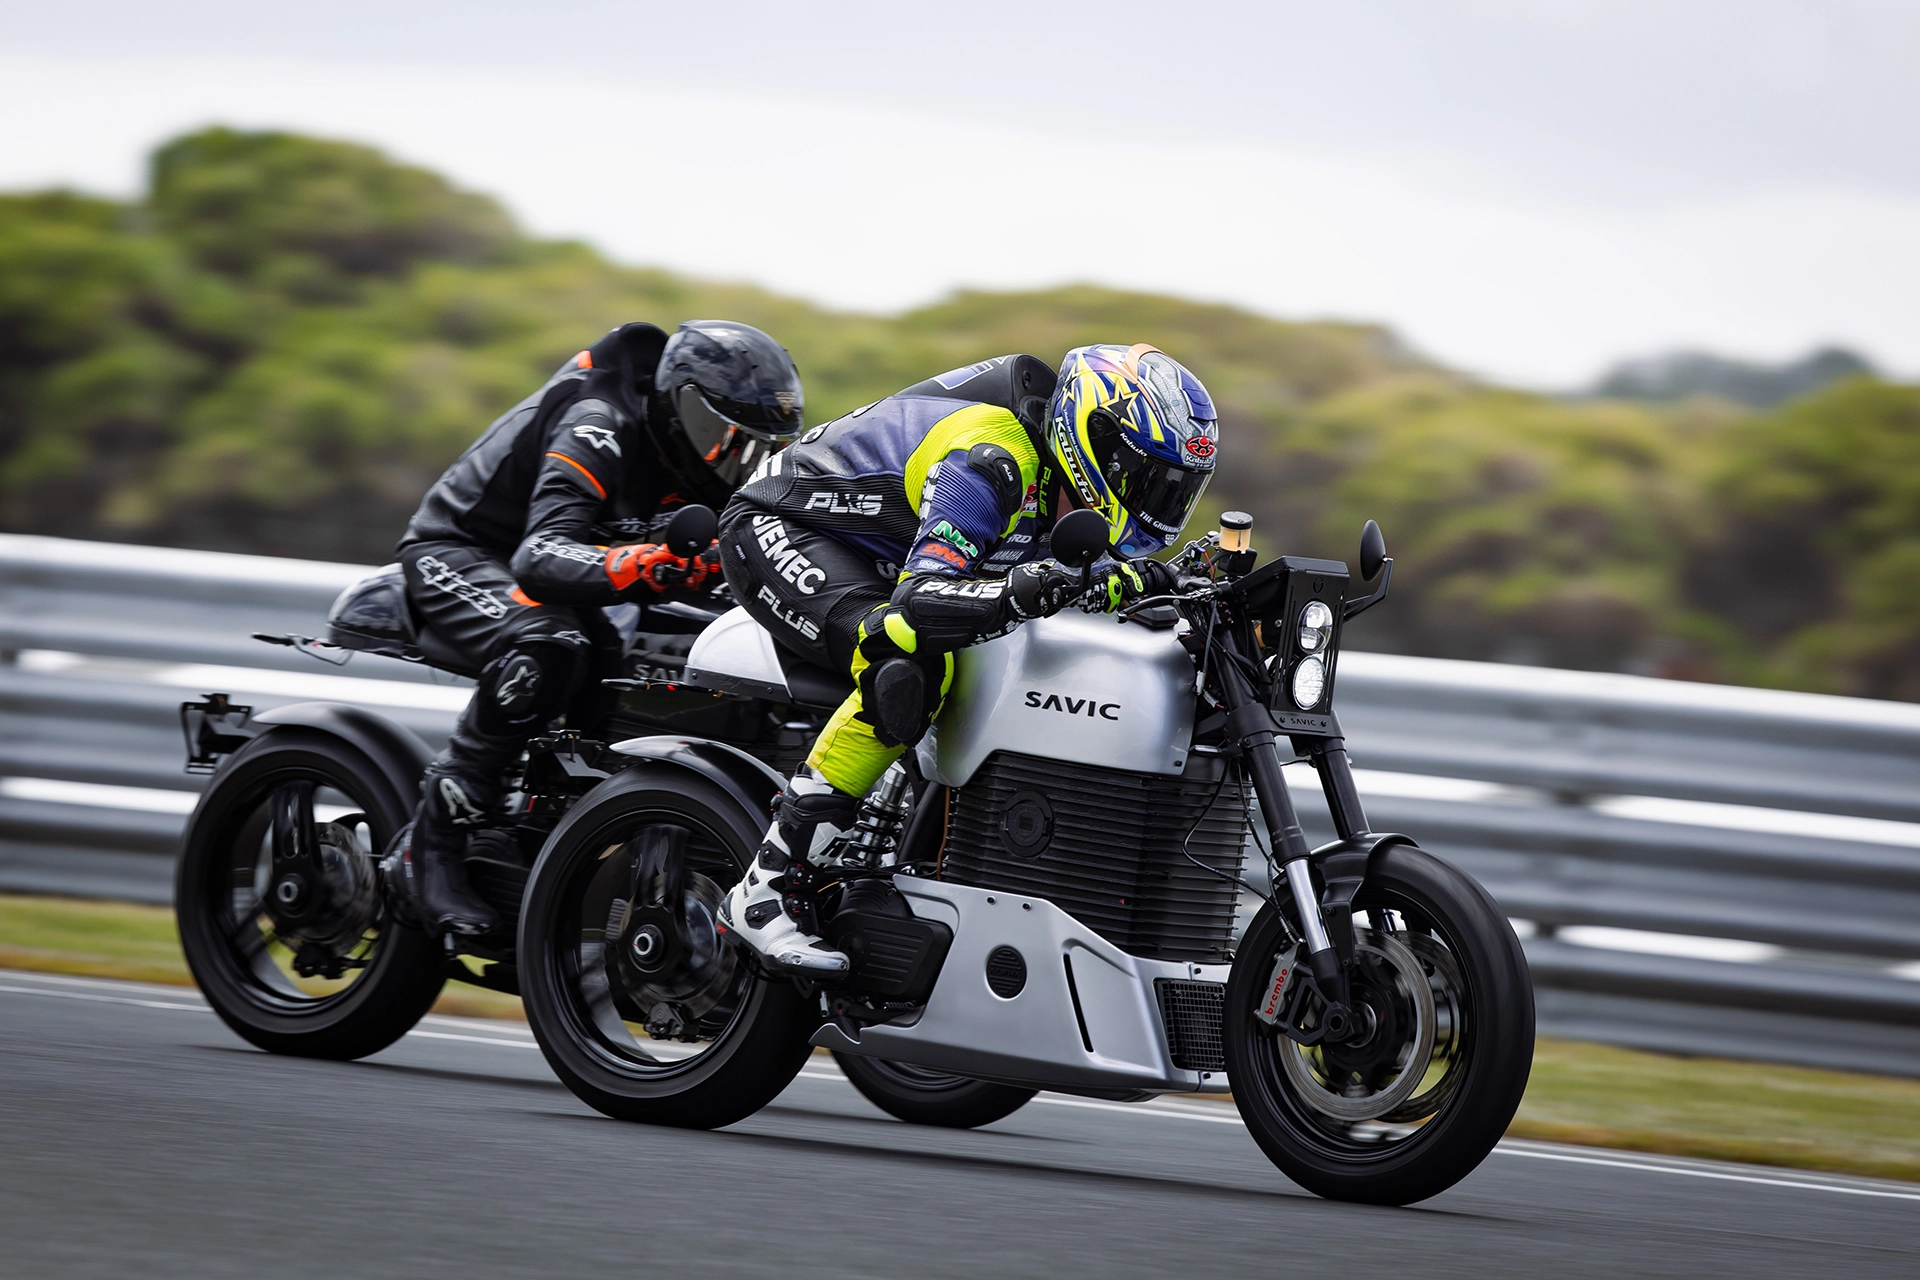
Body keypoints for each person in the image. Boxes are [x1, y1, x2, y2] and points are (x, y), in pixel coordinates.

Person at [716, 344, 1218, 972]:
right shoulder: (991, 457)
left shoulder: (1070, 491)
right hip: (783, 527)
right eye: (1151, 483)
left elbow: (1083, 585)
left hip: (882, 555)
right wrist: (1025, 590)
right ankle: (766, 887)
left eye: (1177, 492)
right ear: (1098, 447)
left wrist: (1166, 581)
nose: (1160, 506)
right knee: (909, 659)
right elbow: (920, 602)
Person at [395, 319, 805, 938]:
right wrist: (652, 561)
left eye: (759, 449)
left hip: (568, 575)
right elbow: (540, 556)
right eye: (726, 439)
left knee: (643, 658)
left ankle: (553, 827)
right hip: (465, 551)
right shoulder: (598, 420)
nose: (739, 462)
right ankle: (430, 841)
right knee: (551, 643)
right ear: (682, 406)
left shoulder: (705, 462)